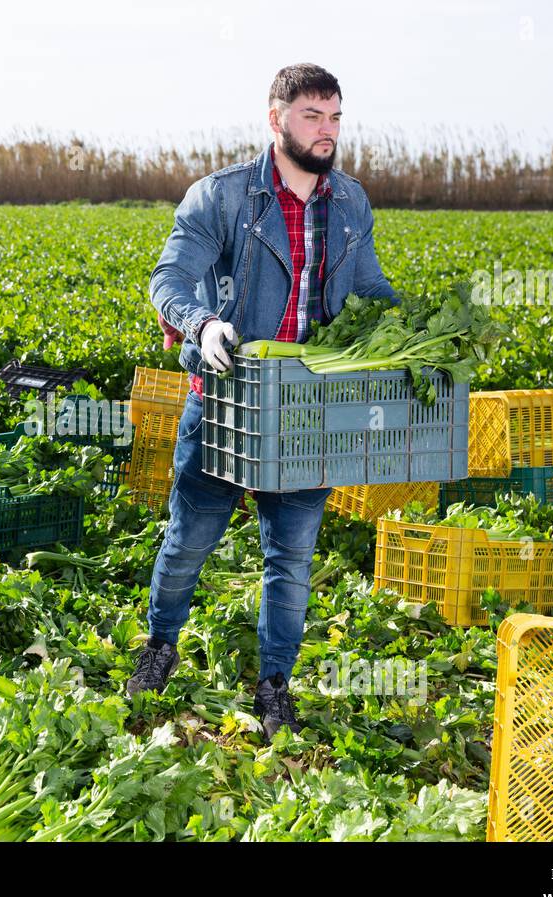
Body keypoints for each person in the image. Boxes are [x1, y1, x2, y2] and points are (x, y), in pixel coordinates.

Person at [133, 64, 397, 742]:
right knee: (188, 541)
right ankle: (160, 645)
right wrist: (202, 324)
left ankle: (274, 682)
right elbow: (169, 280)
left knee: (292, 556)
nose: (327, 131)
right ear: (276, 118)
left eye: (335, 117)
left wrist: (416, 335)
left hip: (308, 410)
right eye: (313, 116)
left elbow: (369, 287)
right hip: (227, 400)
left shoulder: (351, 204)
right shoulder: (221, 198)